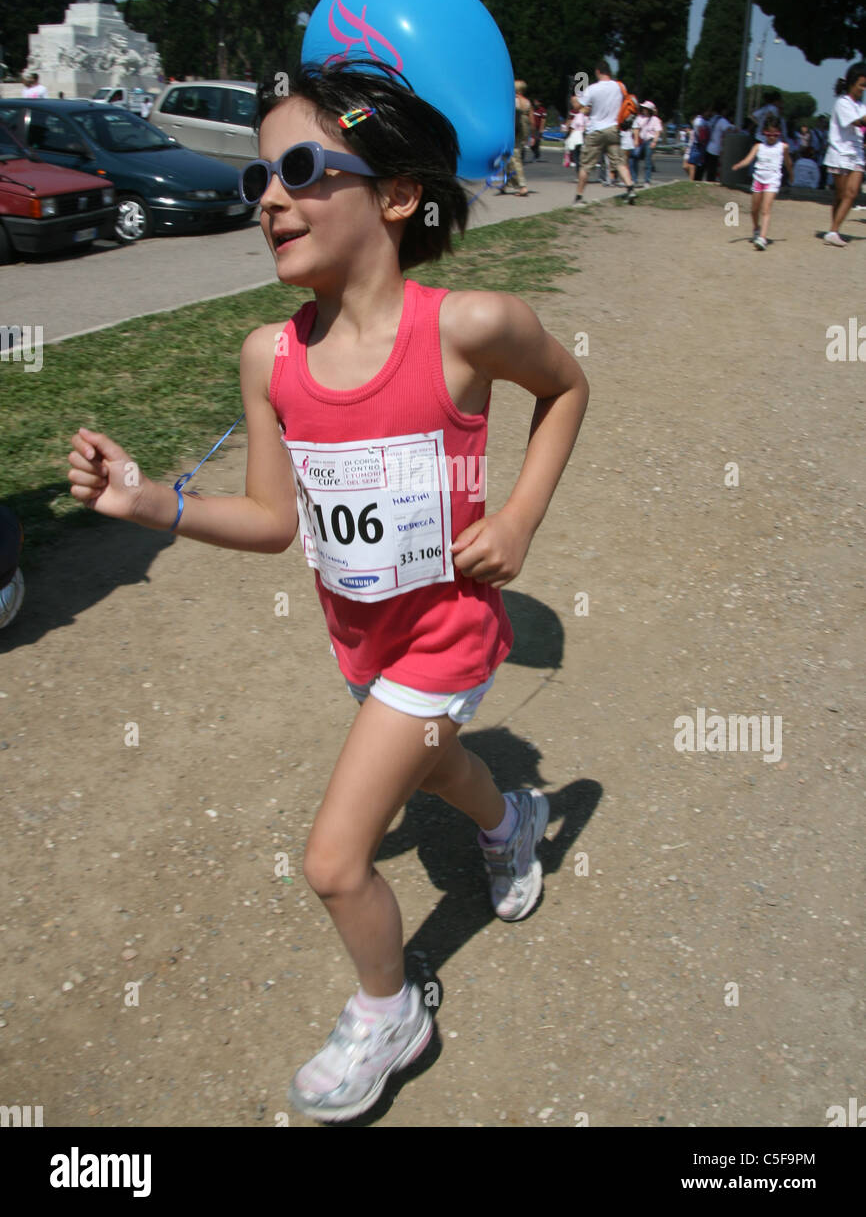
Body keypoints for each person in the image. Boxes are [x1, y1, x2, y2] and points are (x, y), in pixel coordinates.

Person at [66, 57, 590, 1124]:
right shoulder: (270, 358)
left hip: (447, 633)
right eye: (259, 176)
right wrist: (150, 503)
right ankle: (512, 820)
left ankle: (389, 1009)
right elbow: (271, 521)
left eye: (301, 168)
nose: (267, 197)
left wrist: (520, 516)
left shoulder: (466, 327)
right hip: (364, 647)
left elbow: (568, 386)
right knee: (434, 763)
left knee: (335, 856)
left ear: (396, 196)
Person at [572, 61, 637, 205]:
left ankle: (579, 196)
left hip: (596, 130)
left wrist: (575, 95)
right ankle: (630, 188)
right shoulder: (620, 86)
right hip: (614, 128)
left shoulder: (592, 89)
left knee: (586, 165)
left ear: (598, 71)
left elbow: (578, 106)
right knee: (619, 161)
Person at [730, 115, 793, 249]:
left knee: (766, 209)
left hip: (773, 179)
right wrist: (739, 165)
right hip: (758, 179)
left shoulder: (783, 147)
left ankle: (762, 238)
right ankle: (756, 228)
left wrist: (791, 175)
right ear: (764, 133)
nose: (771, 137)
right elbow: (748, 160)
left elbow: (788, 163)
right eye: (768, 134)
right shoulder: (758, 146)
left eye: (775, 134)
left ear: (779, 134)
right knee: (754, 209)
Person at [821, 62, 866, 247]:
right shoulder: (842, 103)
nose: (863, 89)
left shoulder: (862, 104)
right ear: (851, 84)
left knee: (852, 193)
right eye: (861, 85)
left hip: (857, 153)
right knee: (840, 195)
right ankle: (834, 230)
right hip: (840, 153)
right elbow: (858, 122)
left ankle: (833, 231)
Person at [499, 79, 531, 196]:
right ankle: (505, 184)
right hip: (523, 130)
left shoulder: (513, 100)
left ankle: (522, 186)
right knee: (508, 157)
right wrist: (532, 135)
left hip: (513, 129)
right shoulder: (527, 102)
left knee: (513, 157)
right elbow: (531, 119)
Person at [630, 100, 663, 186]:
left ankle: (647, 180)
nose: (644, 109)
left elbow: (657, 131)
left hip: (649, 140)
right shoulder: (639, 118)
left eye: (646, 108)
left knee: (648, 160)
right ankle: (634, 179)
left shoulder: (655, 119)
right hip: (641, 140)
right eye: (643, 108)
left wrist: (654, 142)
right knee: (634, 158)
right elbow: (636, 129)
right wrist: (636, 140)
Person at [703, 103, 731, 183]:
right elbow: (728, 129)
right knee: (714, 170)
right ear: (723, 111)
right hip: (716, 149)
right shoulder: (722, 120)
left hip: (709, 146)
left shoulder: (713, 119)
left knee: (710, 171)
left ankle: (709, 182)